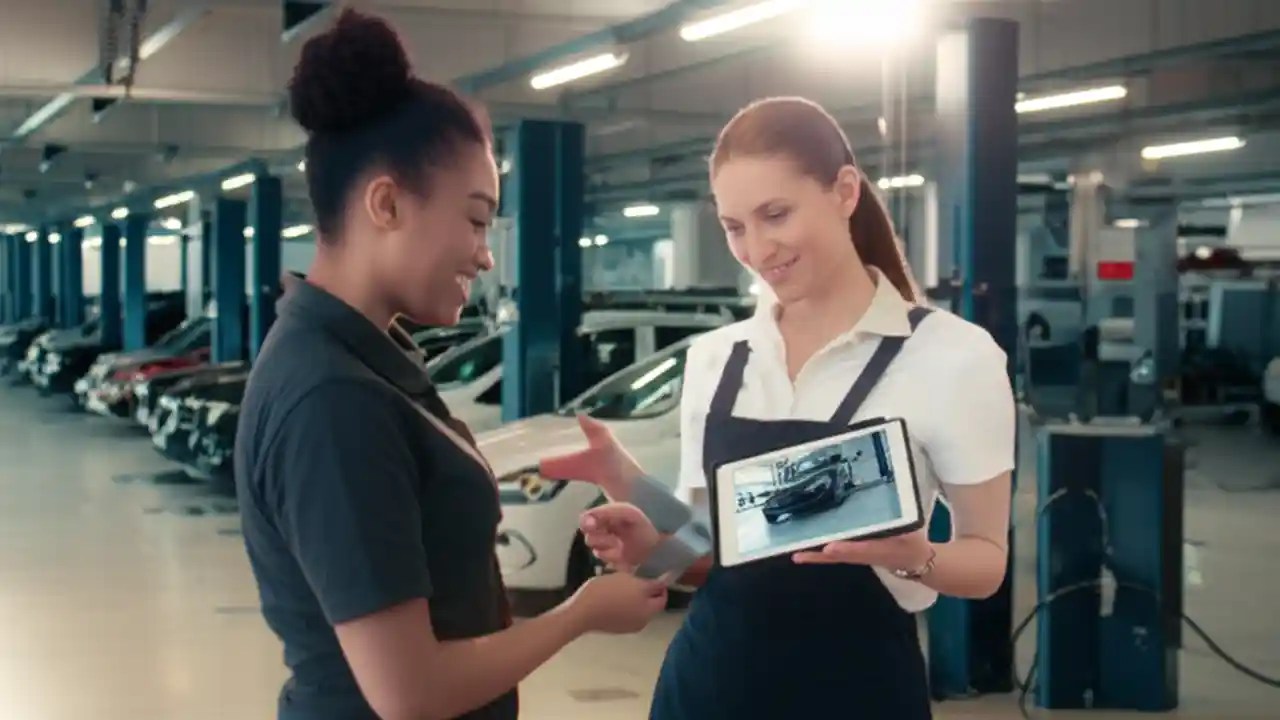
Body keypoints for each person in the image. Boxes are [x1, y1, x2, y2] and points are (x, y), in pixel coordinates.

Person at [233, 10, 668, 720]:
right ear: (386, 204)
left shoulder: (360, 363)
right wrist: (580, 614)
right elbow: (410, 692)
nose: (488, 254)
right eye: (474, 218)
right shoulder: (332, 398)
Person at [541, 97, 1016, 719]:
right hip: (709, 687)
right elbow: (710, 542)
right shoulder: (717, 357)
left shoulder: (952, 356)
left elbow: (986, 562)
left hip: (858, 692)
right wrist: (633, 510)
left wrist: (918, 558)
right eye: (735, 226)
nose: (758, 249)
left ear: (845, 191)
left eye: (776, 214)